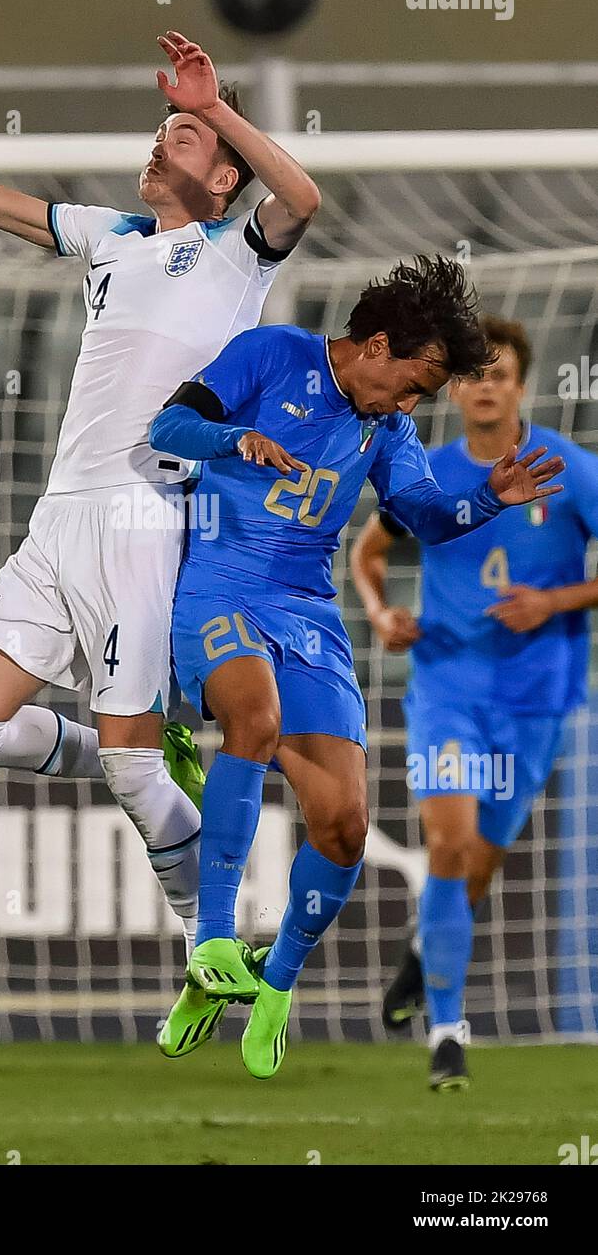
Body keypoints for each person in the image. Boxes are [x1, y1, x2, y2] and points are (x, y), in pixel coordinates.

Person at [0, 33, 319, 955]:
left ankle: (209, 939)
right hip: (59, 517)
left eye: (183, 137)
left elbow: (303, 199)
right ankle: (138, 757)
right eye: (162, 130)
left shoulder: (235, 253)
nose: (160, 143)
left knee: (135, 773)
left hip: (143, 517)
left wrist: (214, 107)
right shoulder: (111, 235)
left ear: (224, 179)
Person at [148, 261, 563, 1079]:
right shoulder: (272, 354)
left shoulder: (388, 431)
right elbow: (169, 427)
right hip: (221, 586)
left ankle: (275, 982)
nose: (409, 406)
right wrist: (234, 437)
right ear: (375, 346)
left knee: (343, 826)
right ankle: (213, 942)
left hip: (307, 612)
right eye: (411, 386)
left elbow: (424, 516)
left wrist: (486, 498)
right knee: (254, 718)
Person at [350, 314, 598, 1090]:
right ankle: (448, 1034)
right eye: (474, 375)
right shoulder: (427, 473)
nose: (486, 387)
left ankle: (423, 955)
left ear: (521, 386)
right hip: (447, 689)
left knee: (477, 865)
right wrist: (381, 613)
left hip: (536, 698)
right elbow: (368, 552)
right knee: (450, 849)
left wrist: (554, 601)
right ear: (456, 389)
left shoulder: (570, 470)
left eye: (501, 375)